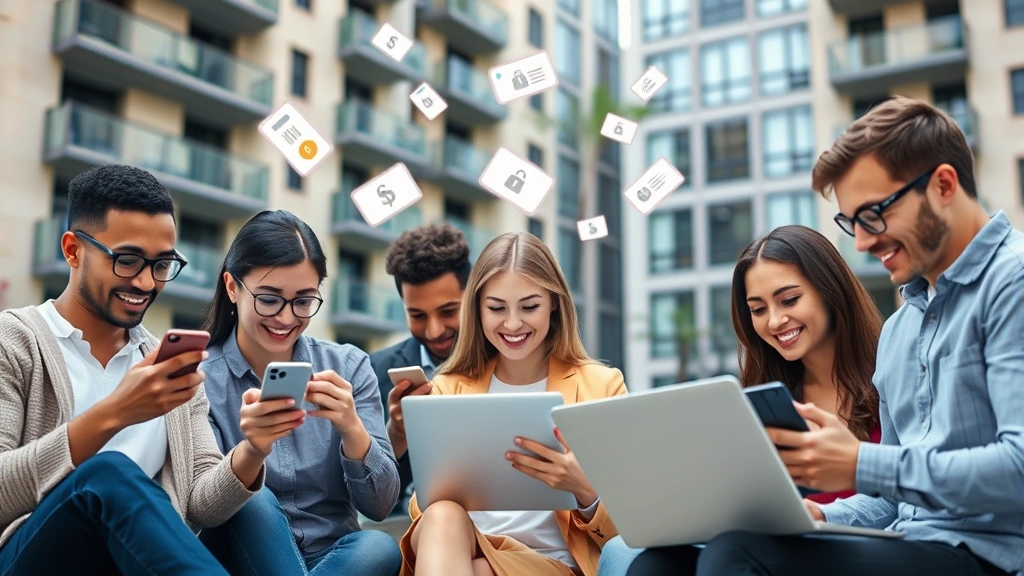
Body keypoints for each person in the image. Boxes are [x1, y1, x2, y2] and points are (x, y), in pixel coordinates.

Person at [612, 97, 1024, 575]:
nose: (864, 242)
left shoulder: (1011, 282)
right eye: (852, 224)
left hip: (986, 555)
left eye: (873, 215)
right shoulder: (899, 331)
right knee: (659, 566)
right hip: (911, 544)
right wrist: (822, 514)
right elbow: (891, 503)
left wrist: (861, 465)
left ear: (944, 185)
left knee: (736, 555)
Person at [0, 165, 278, 575]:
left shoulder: (166, 364)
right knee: (110, 473)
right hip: (33, 559)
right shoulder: (14, 339)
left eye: (162, 264)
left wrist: (253, 448)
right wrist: (116, 413)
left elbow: (201, 503)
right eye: (127, 260)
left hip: (136, 561)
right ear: (73, 250)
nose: (147, 283)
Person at [596, 224, 885, 575]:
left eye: (789, 300)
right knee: (652, 564)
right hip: (768, 549)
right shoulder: (761, 402)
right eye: (758, 309)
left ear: (830, 291)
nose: (775, 321)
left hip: (856, 548)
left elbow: (898, 500)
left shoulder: (889, 377)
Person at [397, 231, 625, 576]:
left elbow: (629, 531)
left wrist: (584, 490)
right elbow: (422, 514)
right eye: (496, 308)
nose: (513, 323)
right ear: (477, 309)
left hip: (553, 564)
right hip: (461, 544)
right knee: (442, 514)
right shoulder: (447, 386)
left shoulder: (602, 386)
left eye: (529, 306)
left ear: (554, 303)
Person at [199, 210, 402, 575]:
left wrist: (352, 429)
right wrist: (252, 451)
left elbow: (380, 507)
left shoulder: (349, 367)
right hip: (240, 560)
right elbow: (201, 507)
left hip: (336, 557)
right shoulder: (200, 378)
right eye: (269, 299)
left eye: (303, 301)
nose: (286, 318)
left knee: (378, 546)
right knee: (252, 495)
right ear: (232, 287)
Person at [370, 223, 472, 515]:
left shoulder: (506, 364)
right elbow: (370, 499)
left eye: (448, 311)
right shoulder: (377, 371)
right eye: (417, 315)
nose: (434, 330)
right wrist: (397, 433)